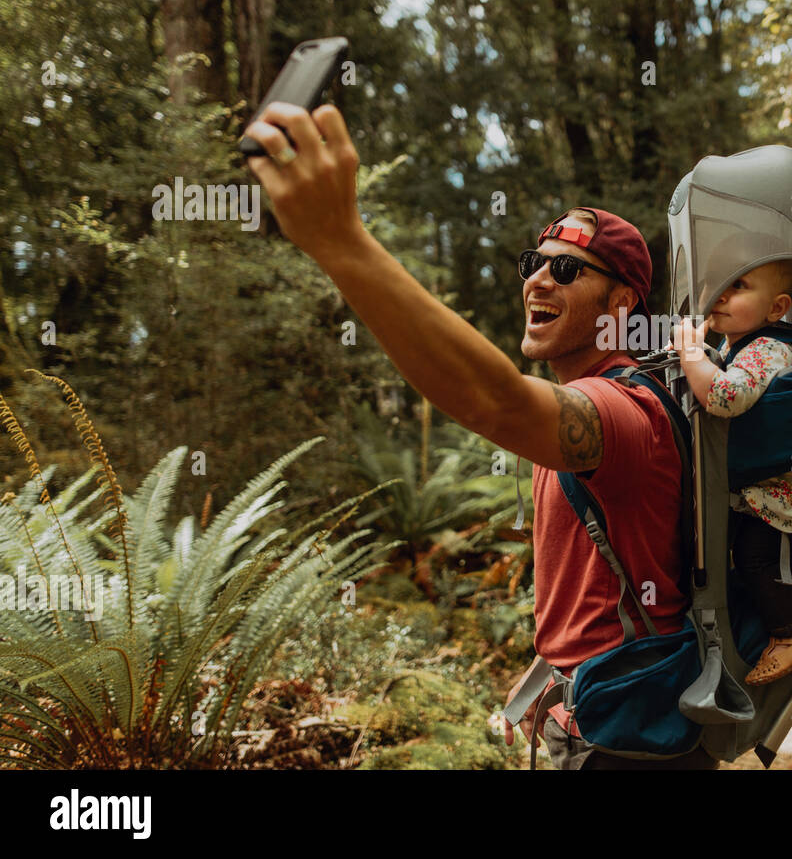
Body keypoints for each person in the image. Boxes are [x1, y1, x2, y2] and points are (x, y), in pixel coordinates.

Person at [242, 103, 717, 770]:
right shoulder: (575, 415)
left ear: (620, 306)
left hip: (630, 747)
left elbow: (493, 400)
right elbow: (588, 608)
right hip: (589, 726)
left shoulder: (623, 415)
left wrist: (341, 240)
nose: (537, 279)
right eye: (534, 261)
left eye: (567, 270)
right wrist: (528, 697)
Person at [670, 259, 792, 685]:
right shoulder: (744, 347)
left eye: (738, 285)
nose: (720, 294)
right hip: (749, 489)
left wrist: (691, 354)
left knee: (755, 559)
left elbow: (725, 395)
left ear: (777, 308)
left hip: (772, 494)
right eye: (718, 283)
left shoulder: (766, 349)